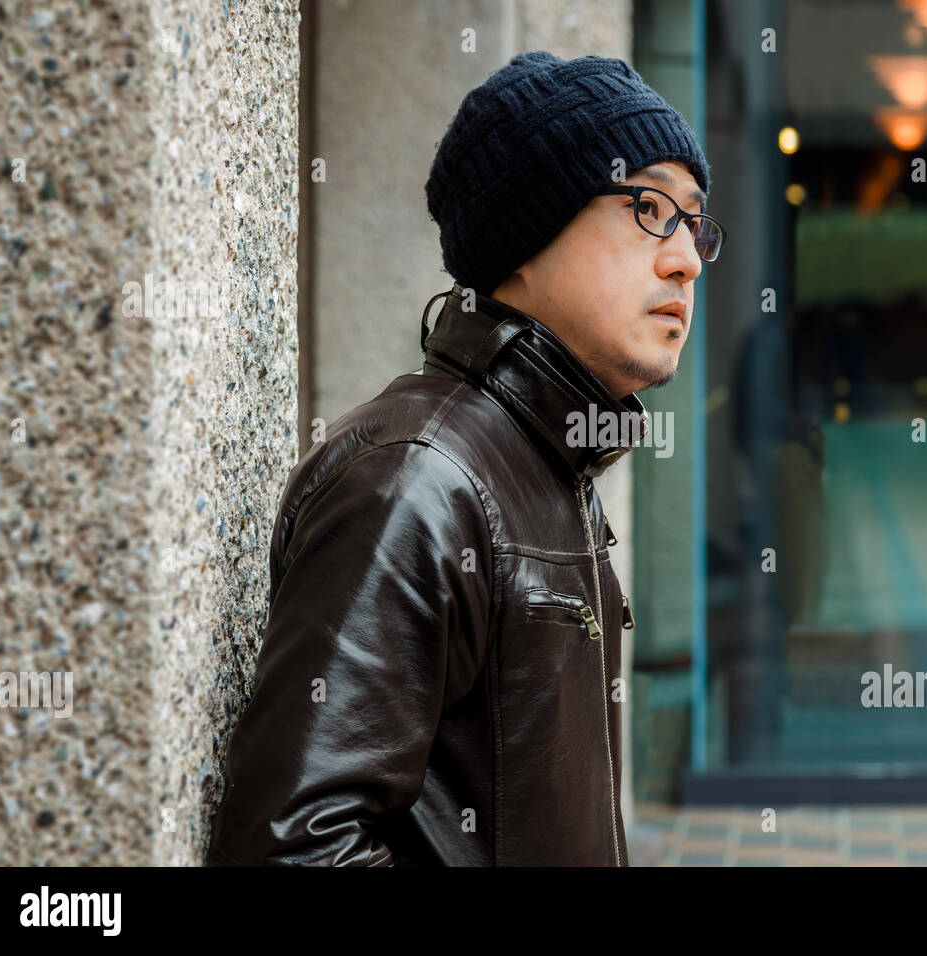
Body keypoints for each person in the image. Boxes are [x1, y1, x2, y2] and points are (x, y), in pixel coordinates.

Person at [205, 50, 725, 866]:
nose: (685, 258)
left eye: (694, 222)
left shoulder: (547, 458)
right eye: (649, 208)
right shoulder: (417, 482)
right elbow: (293, 848)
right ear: (525, 235)